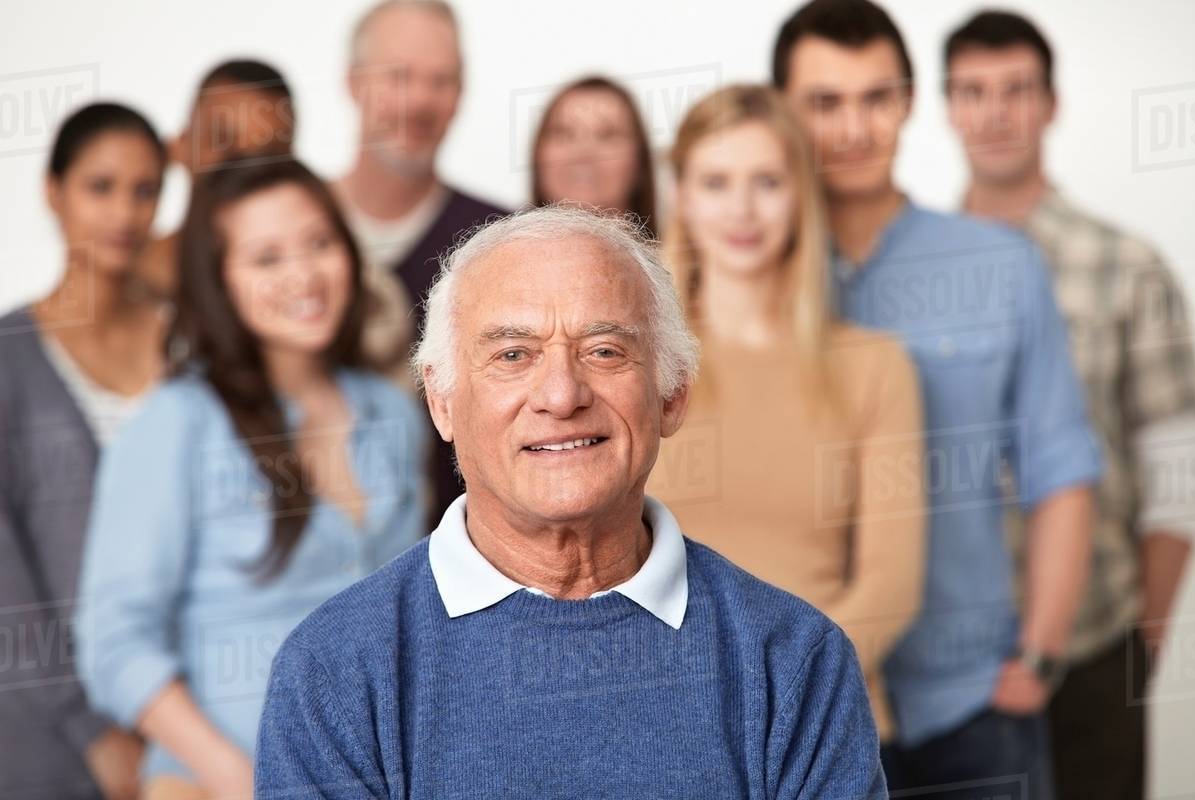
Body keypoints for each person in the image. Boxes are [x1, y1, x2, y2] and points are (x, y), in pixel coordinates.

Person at [254, 205, 888, 799]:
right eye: (513, 354)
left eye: (604, 351)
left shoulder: (795, 661)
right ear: (441, 401)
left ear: (671, 396)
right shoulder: (331, 671)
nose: (560, 394)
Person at [772, 1, 1103, 795]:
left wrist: (1040, 653)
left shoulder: (1000, 265)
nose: (854, 127)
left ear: (911, 102)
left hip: (973, 703)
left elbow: (1060, 467)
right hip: (801, 705)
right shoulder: (747, 277)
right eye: (825, 102)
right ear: (781, 108)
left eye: (876, 98)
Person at [75, 159, 428, 800]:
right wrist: (236, 776)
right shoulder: (177, 422)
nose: (303, 275)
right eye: (266, 258)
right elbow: (114, 642)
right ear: (220, 282)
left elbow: (409, 613)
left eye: (319, 243)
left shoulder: (391, 412)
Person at [944, 11, 1195, 799]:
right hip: (949, 664)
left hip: (1094, 649)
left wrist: (1140, 645)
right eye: (974, 92)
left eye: (1016, 90)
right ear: (947, 107)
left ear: (1051, 105)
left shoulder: (1126, 265)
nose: (996, 113)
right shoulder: (913, 271)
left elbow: (1176, 476)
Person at [651, 83, 925, 743]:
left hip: (825, 728)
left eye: (767, 181)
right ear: (682, 195)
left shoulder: (873, 366)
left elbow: (891, 586)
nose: (742, 209)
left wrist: (776, 697)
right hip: (662, 723)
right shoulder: (636, 364)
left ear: (802, 193)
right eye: (716, 182)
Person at [0, 102, 166, 800]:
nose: (123, 212)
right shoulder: (10, 357)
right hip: (44, 731)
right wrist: (86, 726)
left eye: (145, 189)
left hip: (185, 711)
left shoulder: (189, 345)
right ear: (53, 191)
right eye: (100, 187)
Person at [332, 0, 508, 528]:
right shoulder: (284, 233)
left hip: (461, 568)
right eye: (398, 76)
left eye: (441, 80)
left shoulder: (497, 242)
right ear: (353, 82)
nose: (418, 101)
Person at [134, 59, 296, 303]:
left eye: (265, 156)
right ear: (180, 145)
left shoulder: (309, 288)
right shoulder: (125, 280)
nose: (240, 171)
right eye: (222, 141)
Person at [531, 75, 658, 236]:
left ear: (640, 161)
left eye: (607, 135)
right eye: (564, 133)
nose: (582, 152)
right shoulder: (495, 256)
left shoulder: (676, 258)